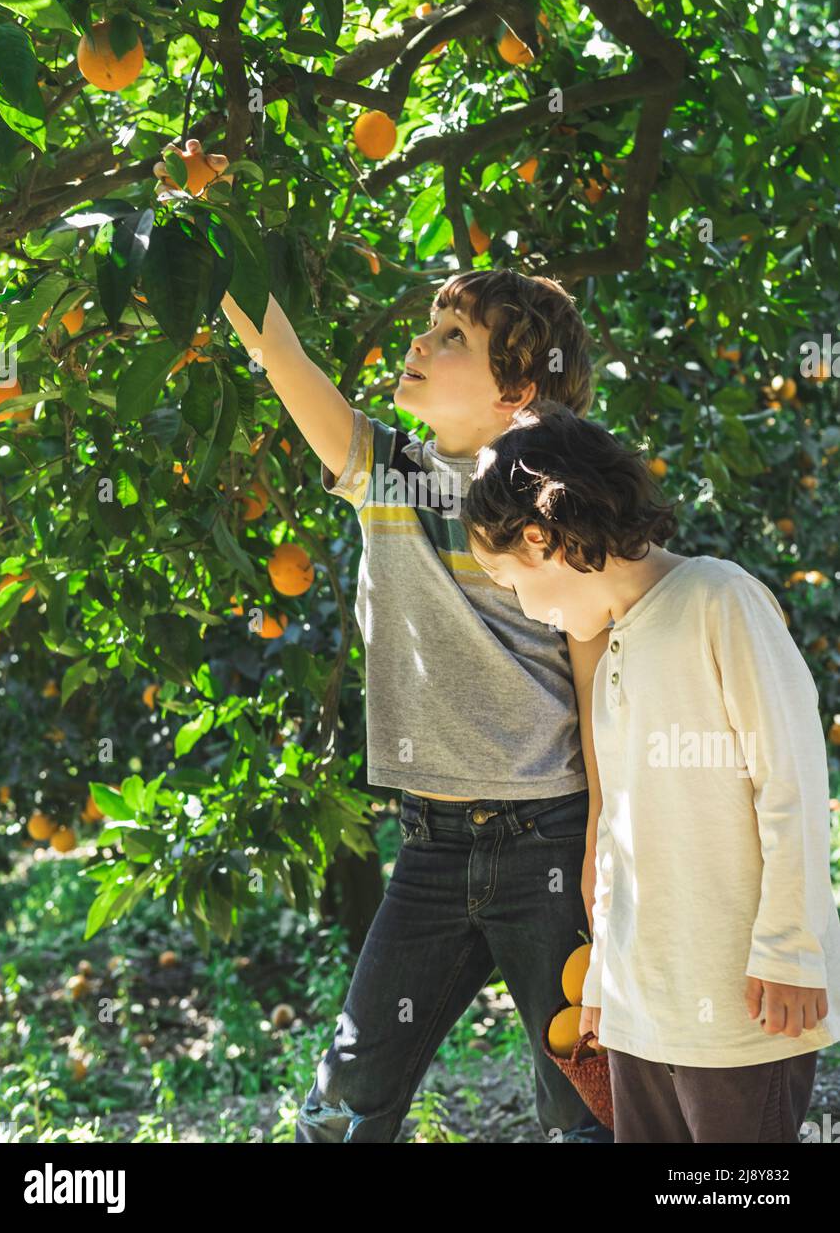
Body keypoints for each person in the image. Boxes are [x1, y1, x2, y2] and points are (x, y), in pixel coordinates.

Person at [220, 269, 614, 1142]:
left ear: (518, 389)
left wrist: (600, 841)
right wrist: (211, 237)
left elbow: (595, 681)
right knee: (344, 1108)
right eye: (429, 327)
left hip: (547, 835)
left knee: (586, 1106)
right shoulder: (387, 472)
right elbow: (280, 357)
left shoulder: (555, 506)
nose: (419, 345)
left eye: (452, 338)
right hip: (431, 849)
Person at [459, 397, 840, 1143]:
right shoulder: (613, 653)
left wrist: (793, 949)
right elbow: (621, 842)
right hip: (642, 1013)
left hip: (745, 1006)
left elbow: (791, 781)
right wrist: (607, 980)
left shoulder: (720, 601)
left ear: (542, 539)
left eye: (511, 582)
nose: (525, 609)